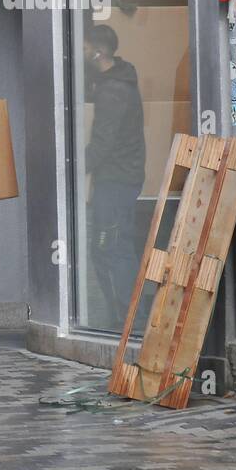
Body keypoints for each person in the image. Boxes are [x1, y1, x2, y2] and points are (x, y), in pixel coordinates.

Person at [84, 23, 146, 326]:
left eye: (84, 50)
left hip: (117, 179)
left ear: (98, 52)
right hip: (121, 177)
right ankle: (127, 318)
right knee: (114, 247)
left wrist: (71, 167)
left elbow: (103, 142)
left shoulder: (112, 91)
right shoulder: (118, 82)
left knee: (112, 248)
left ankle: (128, 322)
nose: (82, 55)